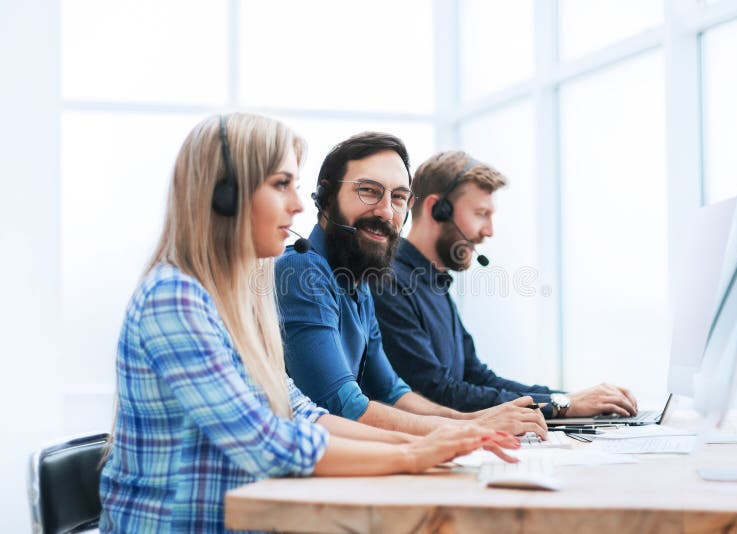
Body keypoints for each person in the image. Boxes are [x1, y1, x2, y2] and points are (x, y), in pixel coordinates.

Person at [99, 115, 517, 533]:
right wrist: (416, 452)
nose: (297, 204)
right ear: (224, 195)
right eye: (282, 184)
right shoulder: (175, 298)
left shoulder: (241, 298)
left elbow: (301, 411)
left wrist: (435, 442)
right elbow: (266, 443)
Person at [275, 132, 548, 437]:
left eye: (399, 197)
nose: (387, 211)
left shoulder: (359, 281)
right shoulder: (301, 270)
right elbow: (344, 406)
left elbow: (394, 393)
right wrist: (469, 428)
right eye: (368, 191)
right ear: (326, 196)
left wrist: (475, 421)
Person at [371, 150, 638, 419]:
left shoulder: (433, 283)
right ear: (437, 210)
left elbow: (476, 376)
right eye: (481, 213)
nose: (489, 231)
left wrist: (566, 398)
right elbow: (437, 392)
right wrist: (560, 405)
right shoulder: (390, 283)